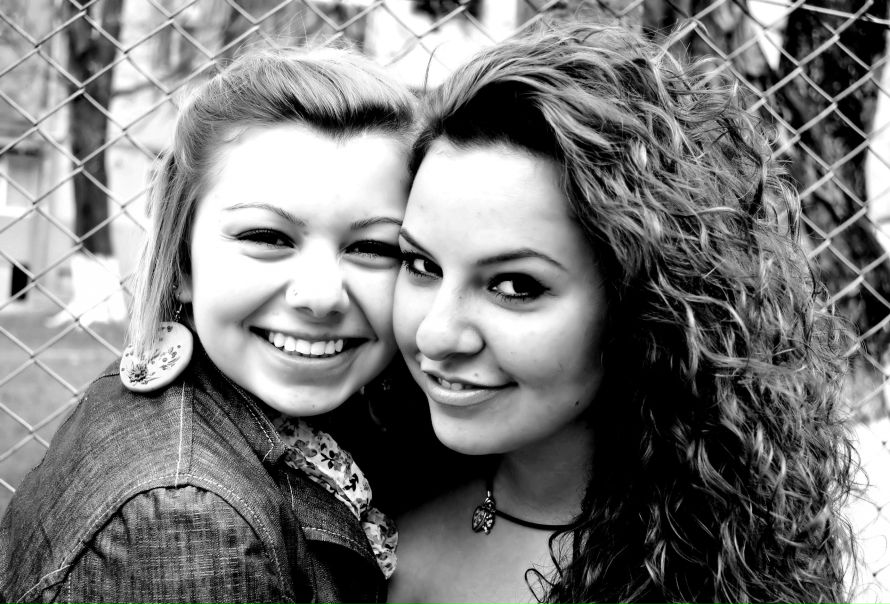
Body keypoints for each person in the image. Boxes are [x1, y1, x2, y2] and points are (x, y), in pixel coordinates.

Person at [389, 24, 857, 604]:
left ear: (646, 303)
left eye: (514, 286)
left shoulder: (720, 565)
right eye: (421, 265)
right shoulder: (352, 508)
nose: (436, 333)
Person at [0, 46, 417, 603]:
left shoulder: (349, 423)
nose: (321, 296)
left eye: (373, 247)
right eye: (267, 237)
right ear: (182, 262)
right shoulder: (185, 520)